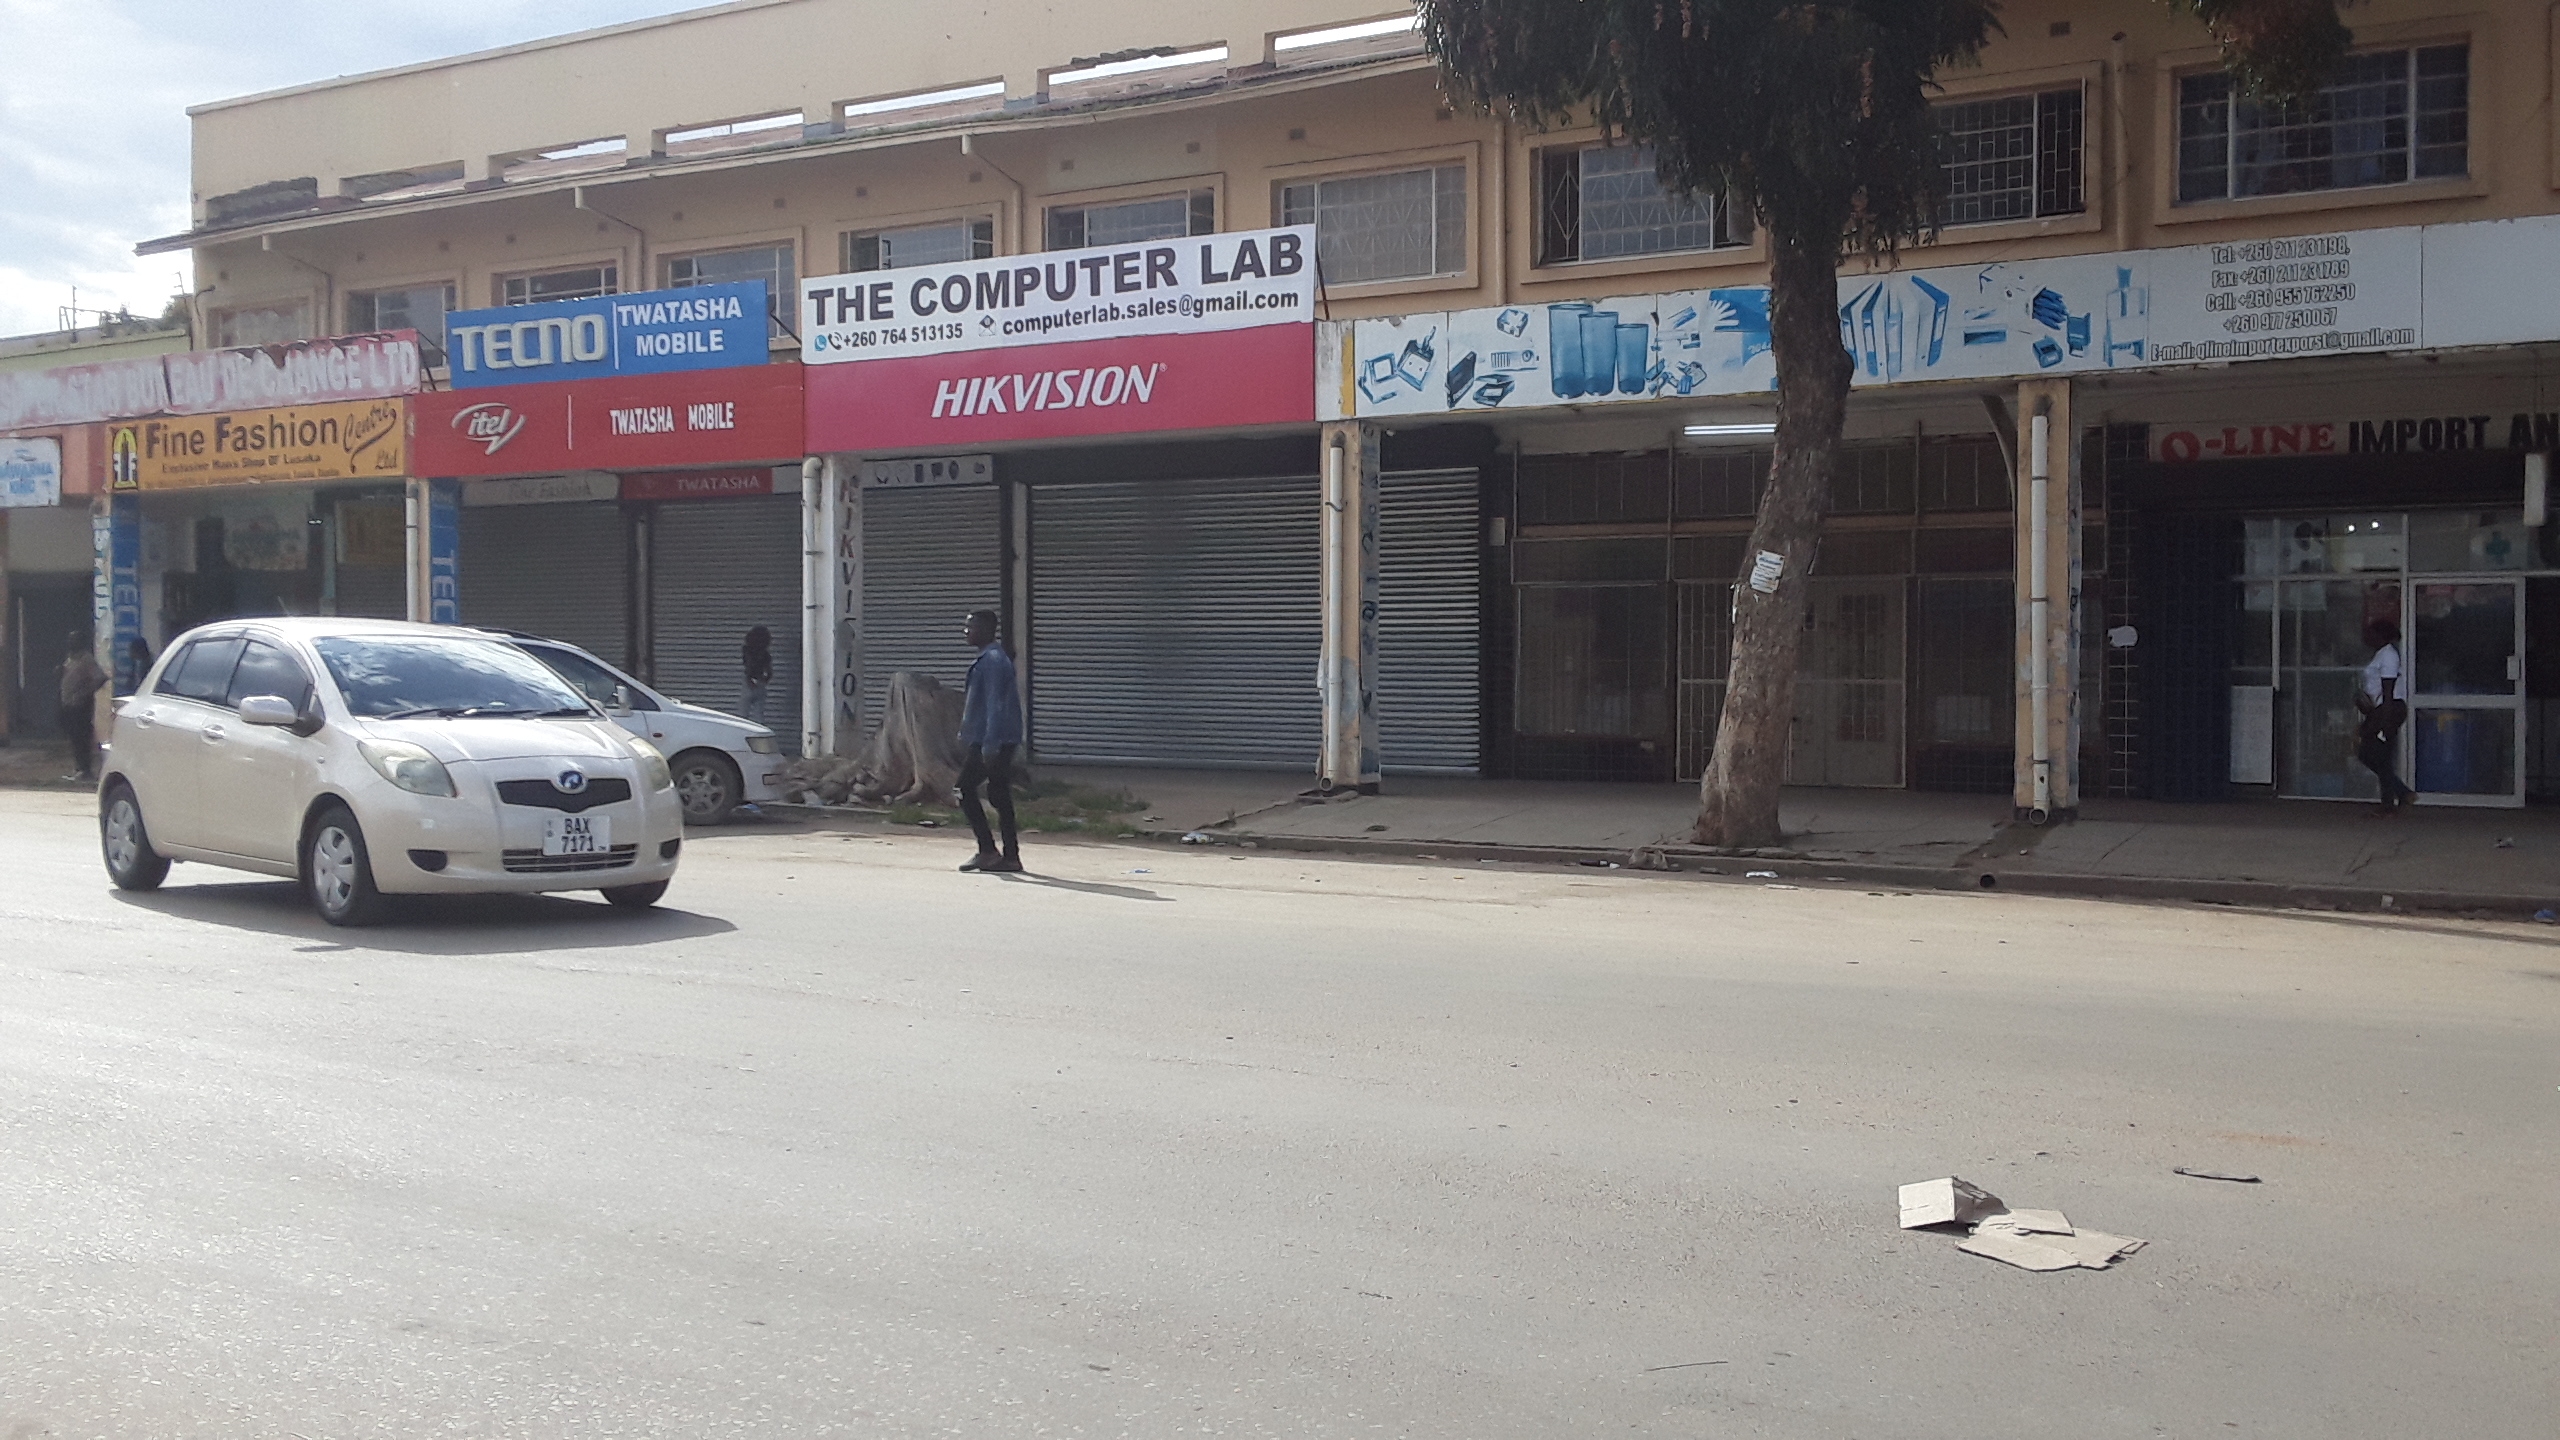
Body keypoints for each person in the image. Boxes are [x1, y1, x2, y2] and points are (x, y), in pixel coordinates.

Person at [955, 608, 1022, 873]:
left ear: (985, 630)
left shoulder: (992, 661)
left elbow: (995, 705)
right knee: (999, 794)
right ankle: (1010, 856)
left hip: (992, 739)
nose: (966, 631)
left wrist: (989, 745)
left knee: (964, 789)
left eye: (970, 627)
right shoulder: (991, 658)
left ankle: (988, 850)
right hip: (996, 737)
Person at [2355, 617, 2414, 815]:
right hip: (2382, 709)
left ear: (2380, 635)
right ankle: (2393, 799)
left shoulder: (2388, 655)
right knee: (2381, 756)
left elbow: (2388, 690)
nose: (2367, 637)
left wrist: (2384, 721)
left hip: (2389, 709)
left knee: (2368, 752)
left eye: (2371, 634)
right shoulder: (2381, 654)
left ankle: (2398, 794)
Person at [56, 634, 107, 783]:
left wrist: (84, 693)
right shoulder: (70, 658)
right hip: (68, 704)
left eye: (74, 640)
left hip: (81, 705)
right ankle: (79, 769)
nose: (70, 643)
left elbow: (100, 678)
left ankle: (85, 770)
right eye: (69, 640)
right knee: (74, 738)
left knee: (82, 737)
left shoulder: (86, 659)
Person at [740, 626, 773, 723]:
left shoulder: (746, 650)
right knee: (759, 714)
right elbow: (769, 672)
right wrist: (763, 680)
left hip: (748, 682)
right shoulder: (765, 654)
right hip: (760, 682)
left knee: (743, 713)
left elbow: (748, 665)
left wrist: (749, 679)